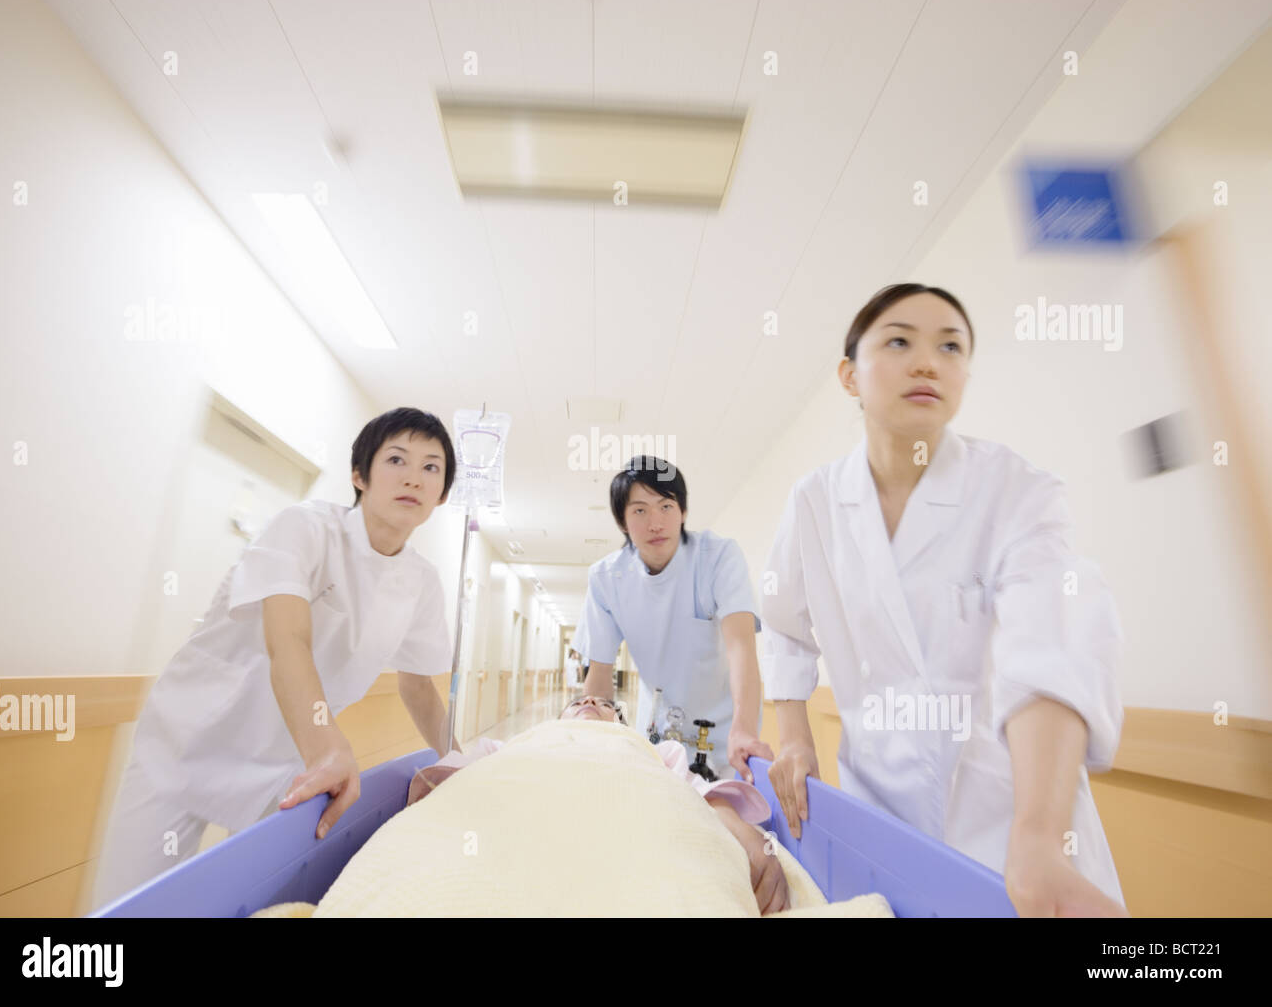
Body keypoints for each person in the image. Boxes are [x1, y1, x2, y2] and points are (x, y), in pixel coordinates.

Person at [761, 284, 1128, 918]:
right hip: (879, 819)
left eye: (951, 346)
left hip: (1012, 824)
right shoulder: (815, 503)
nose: (928, 361)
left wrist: (1039, 836)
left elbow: (1049, 644)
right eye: (899, 341)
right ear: (850, 375)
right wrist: (792, 735)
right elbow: (784, 623)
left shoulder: (1016, 491)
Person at [91, 407, 457, 910]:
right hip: (189, 741)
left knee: (255, 901)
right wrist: (329, 749)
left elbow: (418, 687)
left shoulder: (422, 582)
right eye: (397, 459)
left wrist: (458, 762)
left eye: (431, 468)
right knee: (131, 907)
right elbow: (288, 640)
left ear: (441, 495)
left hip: (286, 762)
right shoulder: (303, 528)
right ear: (360, 475)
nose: (414, 476)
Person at [406, 694, 788, 914]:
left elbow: (696, 795)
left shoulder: (654, 751)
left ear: (621, 725)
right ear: (556, 720)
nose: (589, 700)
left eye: (604, 703)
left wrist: (738, 830)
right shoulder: (519, 743)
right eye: (577, 702)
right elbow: (459, 773)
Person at [579, 457, 774, 781]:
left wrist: (743, 729)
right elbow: (599, 672)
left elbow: (741, 648)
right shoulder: (606, 578)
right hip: (652, 739)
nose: (656, 523)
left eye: (666, 506)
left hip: (727, 736)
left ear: (683, 512)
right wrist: (595, 744)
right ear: (623, 522)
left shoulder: (718, 557)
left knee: (723, 821)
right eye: (640, 510)